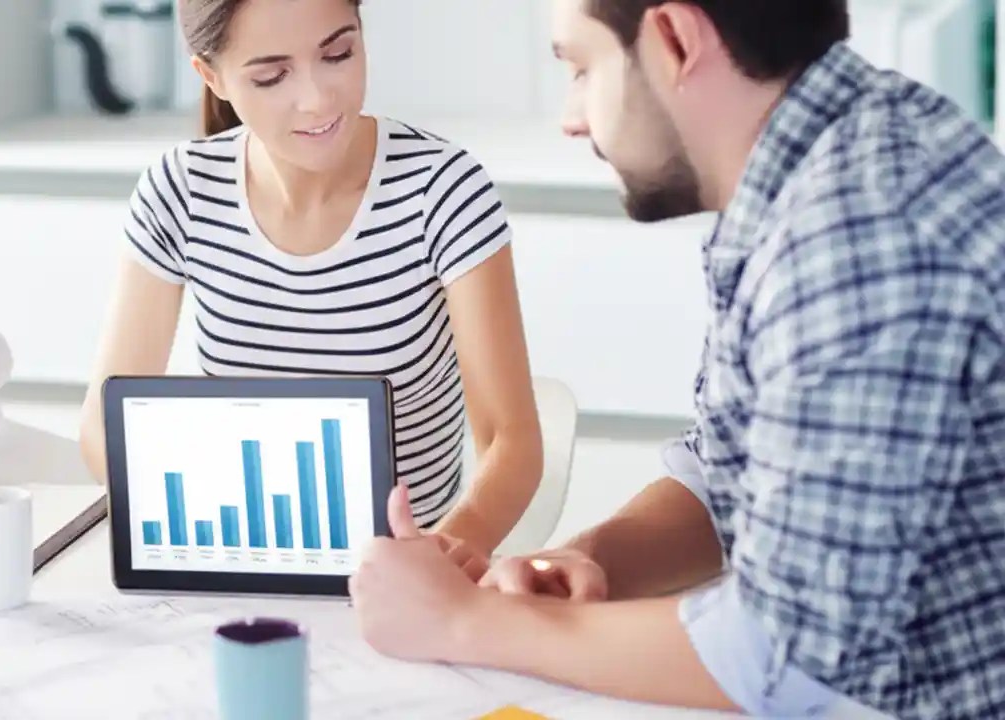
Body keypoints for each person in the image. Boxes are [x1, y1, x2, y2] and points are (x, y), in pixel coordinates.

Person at [350, 1, 1005, 718]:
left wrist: (466, 623)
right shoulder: (829, 160)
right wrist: (587, 562)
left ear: (673, 39)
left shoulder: (858, 240)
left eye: (581, 68)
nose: (573, 118)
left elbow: (786, 658)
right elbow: (730, 467)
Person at [78, 0, 543, 559]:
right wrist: (194, 525)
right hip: (244, 551)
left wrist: (446, 550)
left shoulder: (441, 190)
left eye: (339, 53)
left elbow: (510, 443)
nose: (319, 99)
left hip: (405, 560)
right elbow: (107, 427)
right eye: (272, 76)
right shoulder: (181, 191)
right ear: (212, 76)